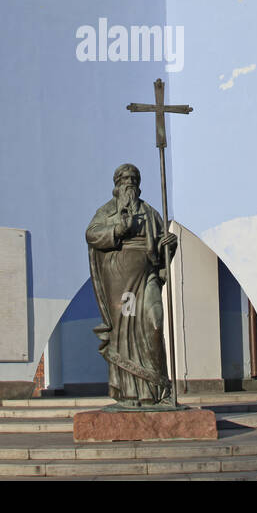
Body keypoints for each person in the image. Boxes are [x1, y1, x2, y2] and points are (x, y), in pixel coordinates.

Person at [85, 163, 178, 407]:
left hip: (146, 276)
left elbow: (159, 251)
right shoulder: (107, 211)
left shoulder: (149, 212)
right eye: (125, 178)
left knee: (155, 323)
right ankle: (131, 393)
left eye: (134, 179)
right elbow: (92, 234)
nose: (129, 183)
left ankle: (161, 389)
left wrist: (168, 244)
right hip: (119, 281)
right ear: (117, 184)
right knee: (124, 333)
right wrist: (118, 228)